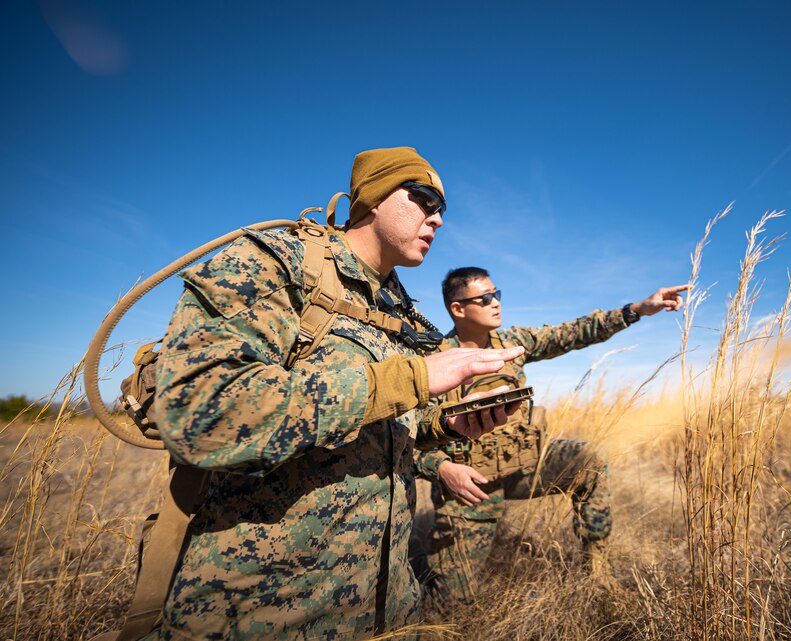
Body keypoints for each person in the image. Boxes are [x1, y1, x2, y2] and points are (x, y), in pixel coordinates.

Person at [150, 148, 525, 640]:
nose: (437, 218)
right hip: (264, 613)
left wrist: (441, 426)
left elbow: (378, 430)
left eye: (442, 210)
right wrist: (408, 380)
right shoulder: (275, 263)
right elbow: (200, 412)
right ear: (371, 200)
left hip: (384, 610)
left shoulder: (401, 311)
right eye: (423, 199)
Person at [414, 267, 688, 604]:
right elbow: (407, 437)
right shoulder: (433, 362)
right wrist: (442, 469)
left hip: (525, 469)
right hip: (470, 490)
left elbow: (573, 332)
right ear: (458, 309)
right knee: (452, 603)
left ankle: (596, 573)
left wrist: (636, 310)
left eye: (496, 294)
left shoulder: (513, 344)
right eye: (485, 298)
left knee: (589, 460)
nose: (496, 303)